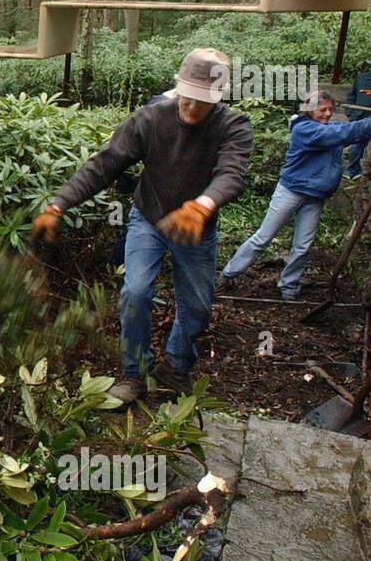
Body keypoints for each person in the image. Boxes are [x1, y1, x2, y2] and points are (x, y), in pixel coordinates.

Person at [31, 48, 253, 405]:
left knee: (197, 307)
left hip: (196, 228)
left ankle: (177, 367)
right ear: (178, 87)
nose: (193, 108)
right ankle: (133, 373)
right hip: (149, 219)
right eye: (189, 97)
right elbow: (105, 165)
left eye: (203, 101)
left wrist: (202, 205)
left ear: (219, 98)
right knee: (134, 293)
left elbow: (232, 173)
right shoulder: (150, 119)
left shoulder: (233, 126)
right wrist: (59, 202)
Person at [217, 91, 371, 300]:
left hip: (316, 196)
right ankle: (228, 274)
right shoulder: (304, 129)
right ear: (309, 109)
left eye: (330, 110)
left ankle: (289, 287)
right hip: (291, 191)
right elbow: (341, 134)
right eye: (322, 109)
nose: (327, 114)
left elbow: (350, 131)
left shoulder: (329, 128)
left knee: (302, 246)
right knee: (263, 238)